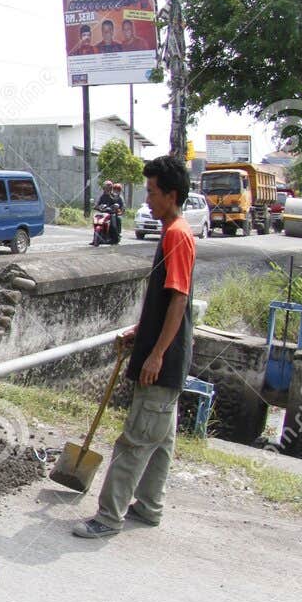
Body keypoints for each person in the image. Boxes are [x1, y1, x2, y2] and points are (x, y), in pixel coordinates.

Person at [75, 154, 196, 539]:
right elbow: (165, 301)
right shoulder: (173, 231)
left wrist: (156, 353)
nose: (147, 199)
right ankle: (148, 506)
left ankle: (108, 518)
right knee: (160, 440)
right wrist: (141, 331)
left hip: (165, 359)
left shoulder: (177, 234)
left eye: (151, 191)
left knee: (135, 440)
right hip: (169, 355)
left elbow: (178, 300)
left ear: (171, 195)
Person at [95, 180, 124, 245]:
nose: (106, 189)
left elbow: (118, 203)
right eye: (105, 187)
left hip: (111, 213)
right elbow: (98, 203)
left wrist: (115, 207)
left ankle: (115, 239)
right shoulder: (102, 196)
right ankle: (95, 238)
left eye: (108, 187)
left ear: (111, 188)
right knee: (97, 219)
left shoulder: (114, 195)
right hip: (103, 213)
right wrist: (96, 206)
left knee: (114, 221)